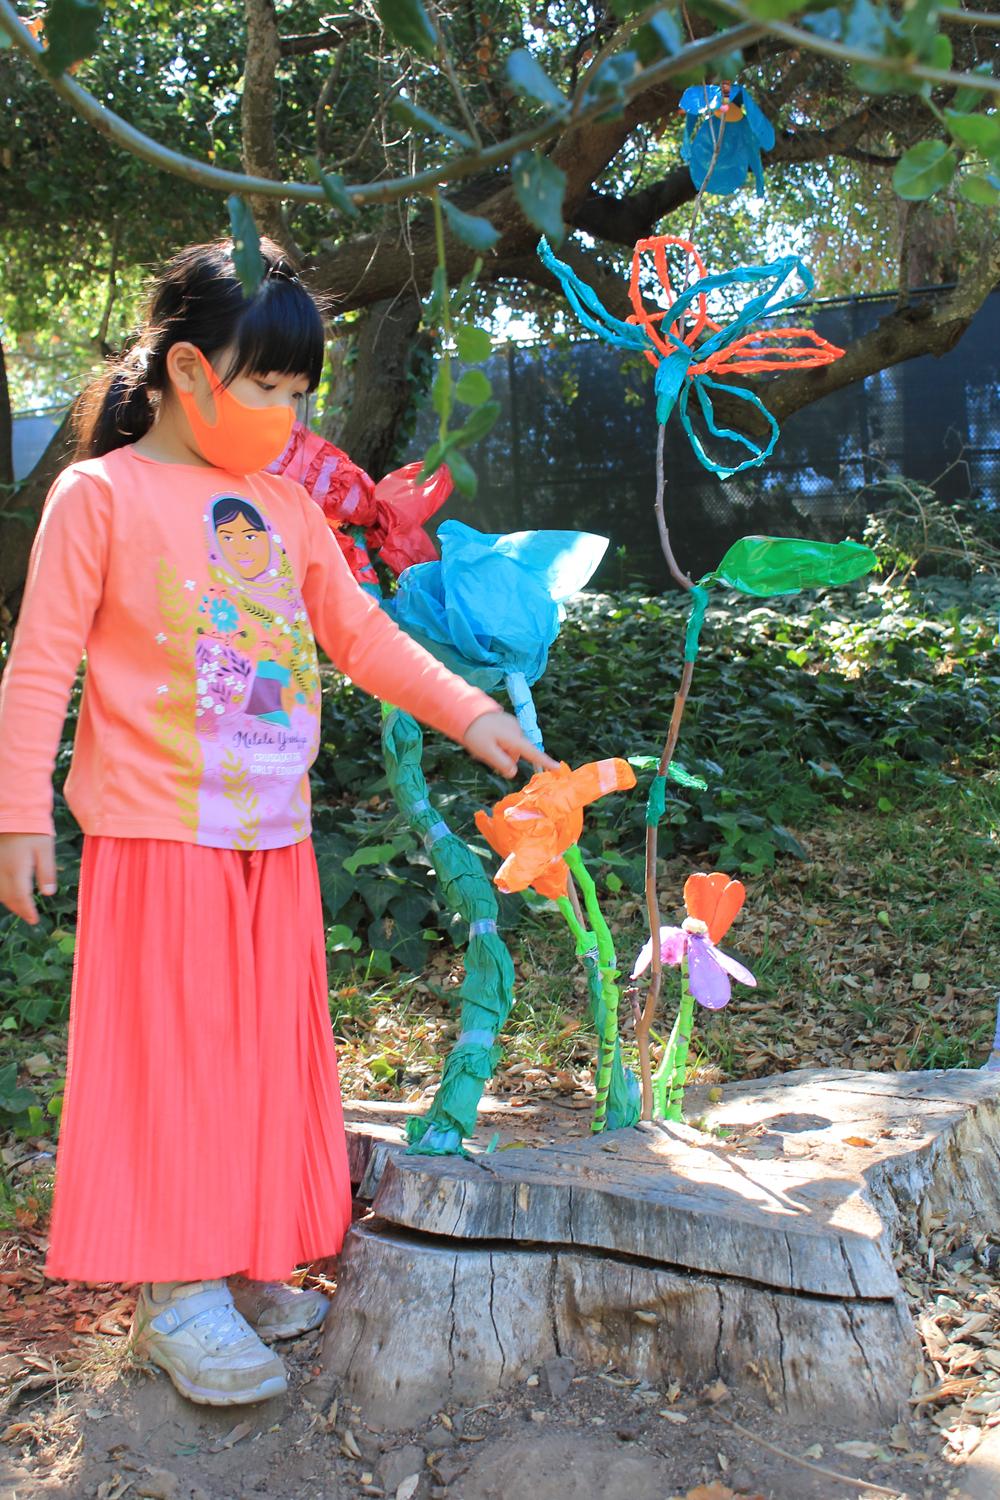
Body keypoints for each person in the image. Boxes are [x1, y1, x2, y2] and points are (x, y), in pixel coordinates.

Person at [0, 239, 555, 1408]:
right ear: (190, 372)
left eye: (301, 392)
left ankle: (247, 1265)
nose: (289, 412)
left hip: (273, 838)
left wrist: (469, 717)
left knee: (259, 1063)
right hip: (157, 838)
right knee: (176, 1065)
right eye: (270, 388)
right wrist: (17, 817)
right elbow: (38, 665)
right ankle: (175, 1294)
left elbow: (362, 639)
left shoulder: (288, 508)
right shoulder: (98, 496)